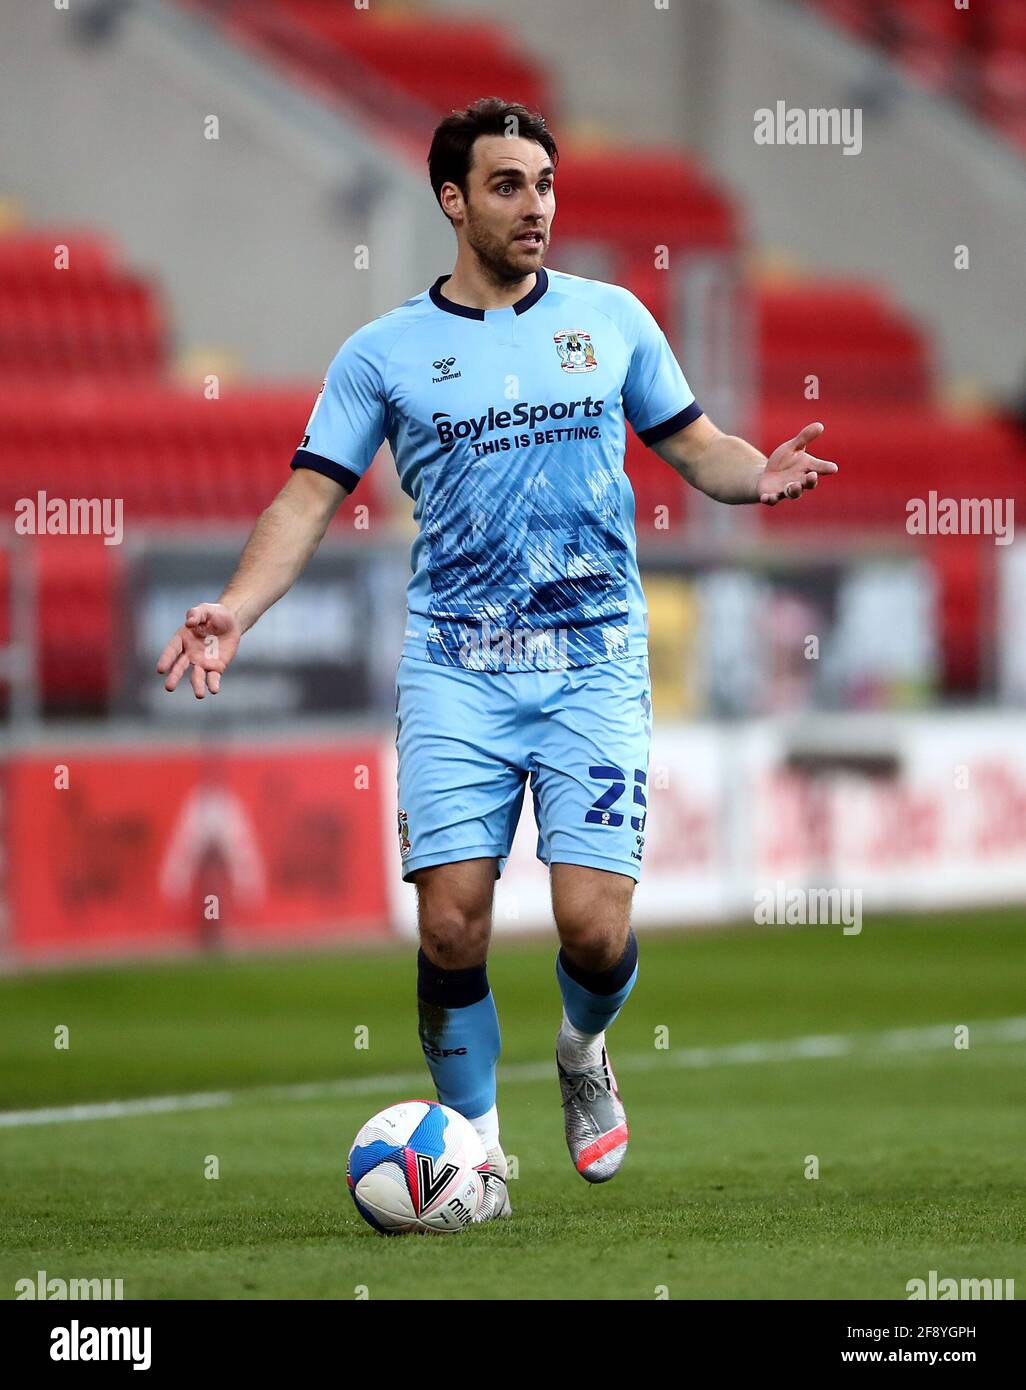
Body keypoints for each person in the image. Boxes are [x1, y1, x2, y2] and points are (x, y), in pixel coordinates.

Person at [157, 97, 838, 1224]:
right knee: (451, 922)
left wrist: (750, 473)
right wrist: (236, 607)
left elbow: (697, 444)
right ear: (454, 200)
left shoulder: (612, 318)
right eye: (510, 186)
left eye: (547, 184)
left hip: (593, 661)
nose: (537, 208)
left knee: (593, 926)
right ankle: (474, 1148)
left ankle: (582, 1051)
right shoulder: (380, 354)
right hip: (457, 669)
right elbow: (309, 496)